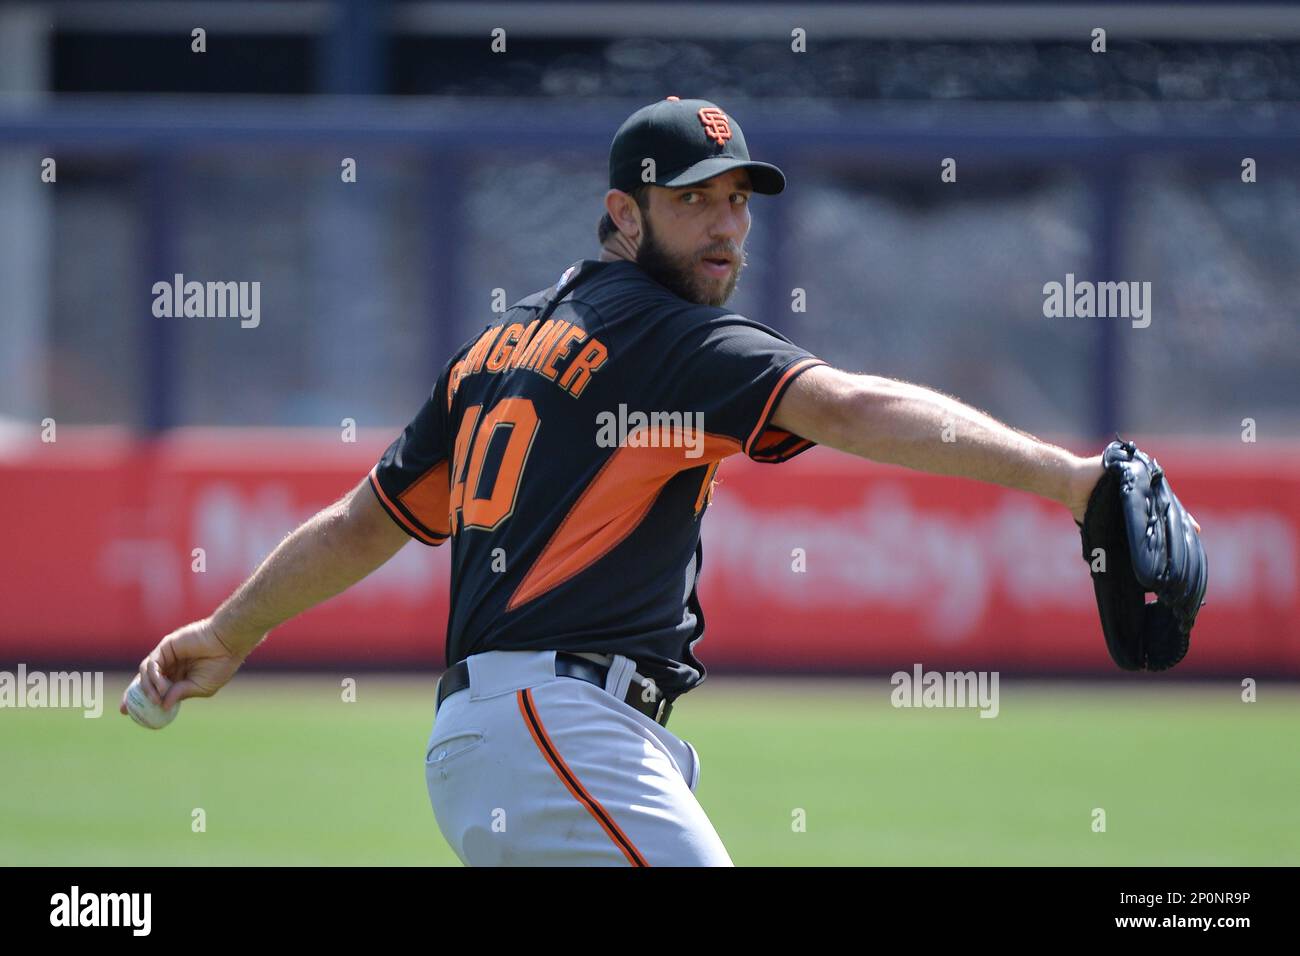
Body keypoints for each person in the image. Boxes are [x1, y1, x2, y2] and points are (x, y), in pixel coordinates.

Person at [122, 97, 1110, 866]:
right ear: (620, 215)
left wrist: (230, 628)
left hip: (503, 739)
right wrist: (1069, 479)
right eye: (692, 200)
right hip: (558, 730)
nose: (725, 224)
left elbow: (365, 520)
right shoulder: (665, 333)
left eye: (737, 198)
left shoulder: (497, 346)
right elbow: (850, 408)